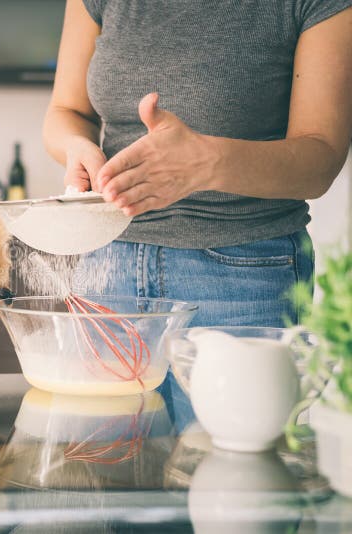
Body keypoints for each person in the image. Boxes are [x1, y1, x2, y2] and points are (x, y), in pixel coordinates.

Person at [42, 0, 352, 427]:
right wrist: (79, 148)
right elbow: (66, 112)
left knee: (235, 477)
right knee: (111, 482)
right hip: (107, 265)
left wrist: (207, 161)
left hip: (242, 271)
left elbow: (321, 160)